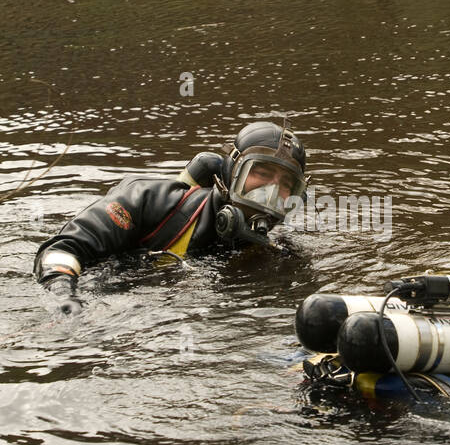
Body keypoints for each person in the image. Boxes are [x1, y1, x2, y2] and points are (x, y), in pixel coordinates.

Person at [34, 120, 307, 314]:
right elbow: (64, 247)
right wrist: (64, 297)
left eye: (286, 183)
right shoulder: (148, 199)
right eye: (261, 173)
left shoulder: (280, 256)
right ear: (230, 173)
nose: (271, 191)